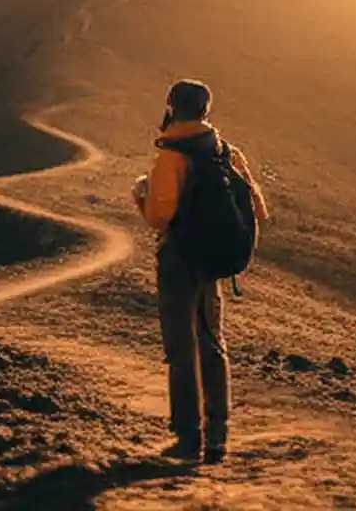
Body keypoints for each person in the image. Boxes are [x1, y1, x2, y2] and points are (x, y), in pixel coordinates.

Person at [132, 79, 270, 464]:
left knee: (180, 347)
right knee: (212, 341)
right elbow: (257, 208)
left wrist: (141, 196)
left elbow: (161, 217)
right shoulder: (226, 153)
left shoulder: (170, 158)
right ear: (206, 110)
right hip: (211, 263)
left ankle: (188, 438)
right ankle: (218, 436)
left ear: (172, 107)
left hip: (178, 261)